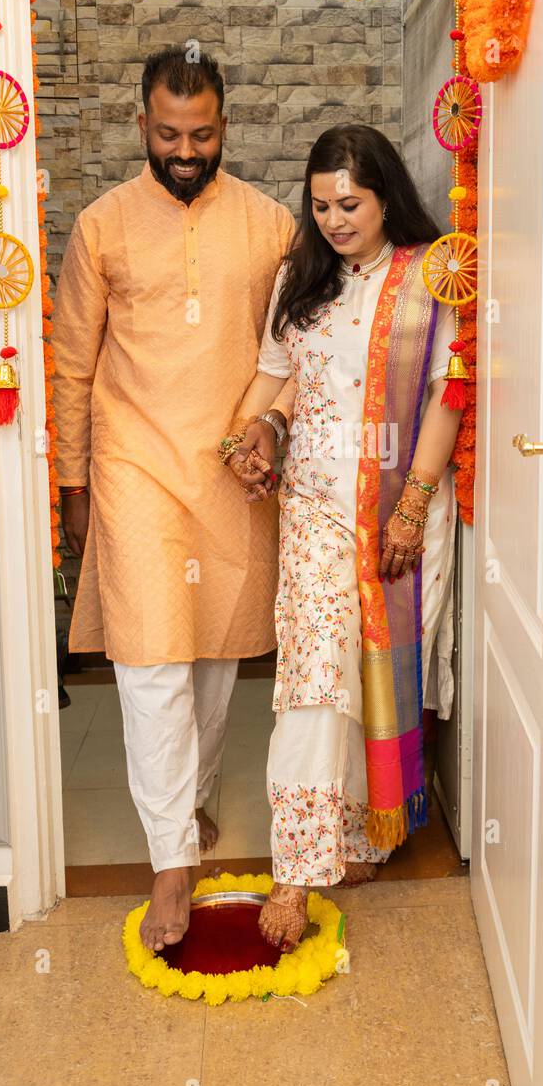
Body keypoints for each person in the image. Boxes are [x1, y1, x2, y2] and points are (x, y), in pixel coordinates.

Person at [51, 47, 296, 953]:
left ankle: (188, 806)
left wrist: (264, 429)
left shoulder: (272, 226)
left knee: (213, 658)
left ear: (224, 126)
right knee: (151, 664)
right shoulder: (104, 227)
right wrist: (74, 485)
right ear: (141, 126)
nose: (184, 151)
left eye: (200, 134)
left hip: (229, 474)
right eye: (167, 134)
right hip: (133, 469)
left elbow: (294, 351)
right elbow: (73, 361)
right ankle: (169, 864)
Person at [222, 123, 463, 952]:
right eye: (320, 203)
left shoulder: (429, 275)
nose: (333, 218)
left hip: (402, 508)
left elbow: (448, 394)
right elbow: (277, 381)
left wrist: (411, 504)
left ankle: (359, 832)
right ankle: (298, 865)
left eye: (350, 203)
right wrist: (247, 437)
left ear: (386, 194)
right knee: (313, 678)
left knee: (376, 674)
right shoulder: (302, 276)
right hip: (315, 508)